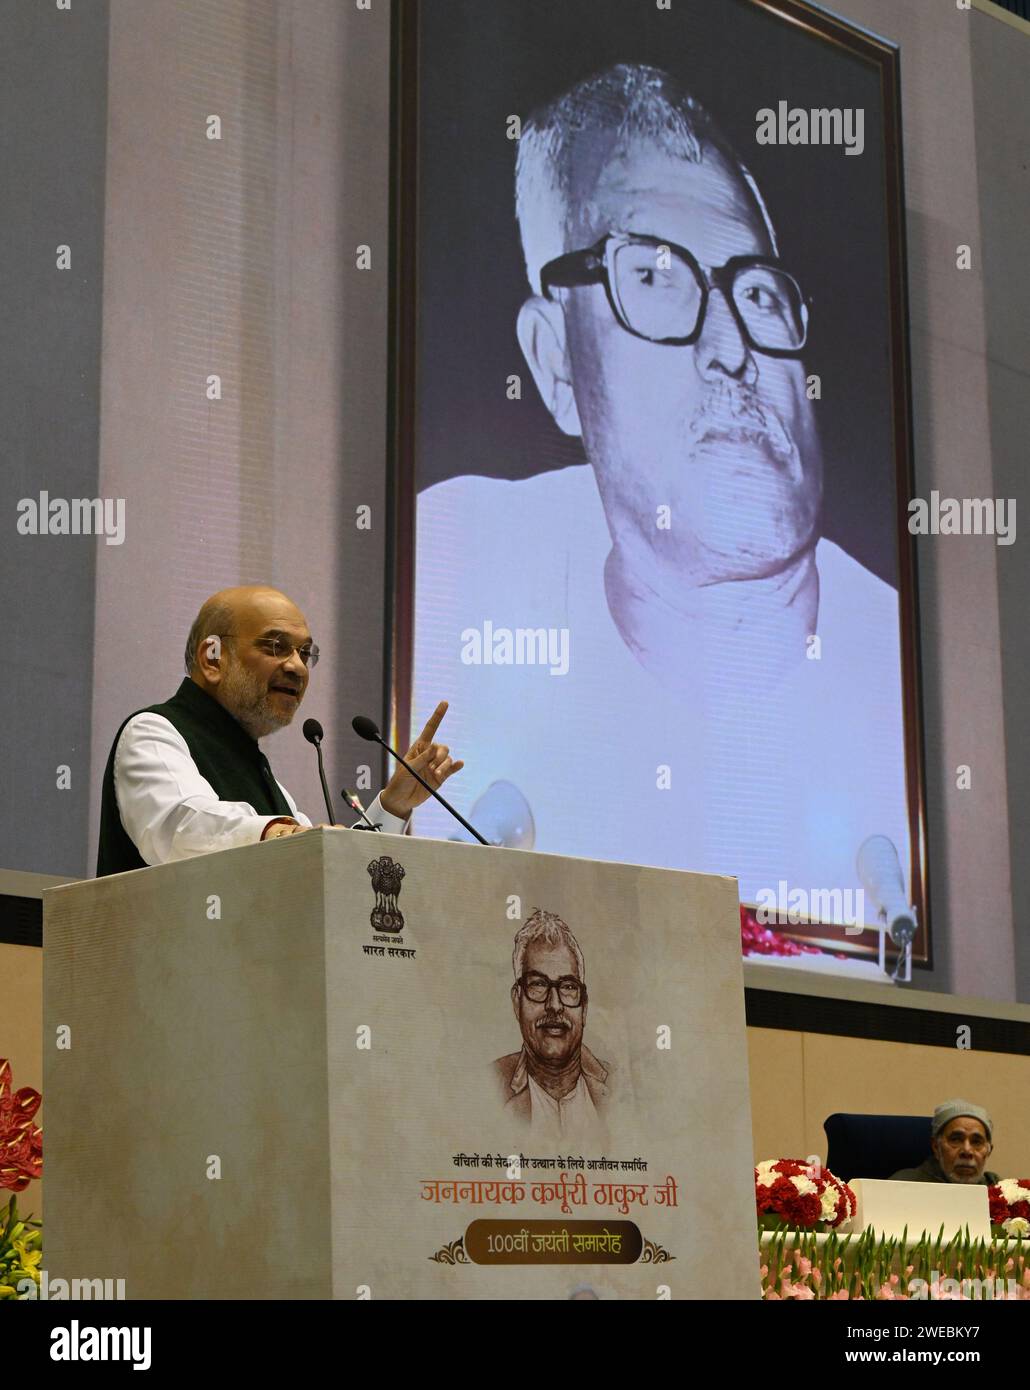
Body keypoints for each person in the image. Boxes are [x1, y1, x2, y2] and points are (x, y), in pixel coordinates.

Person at [414, 63, 910, 928]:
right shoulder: (456, 566)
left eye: (758, 293)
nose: (731, 348)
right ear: (557, 363)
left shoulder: (892, 668)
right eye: (652, 277)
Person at [97, 585, 462, 875]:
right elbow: (182, 830)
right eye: (276, 646)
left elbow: (332, 872)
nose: (298, 667)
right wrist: (279, 833)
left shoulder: (264, 777)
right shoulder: (153, 732)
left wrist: (393, 806)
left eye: (305, 653)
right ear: (213, 659)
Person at [493, 909, 611, 1135]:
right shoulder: (485, 1088)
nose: (554, 1005)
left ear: (584, 1007)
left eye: (568, 987)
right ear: (517, 1001)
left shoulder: (622, 1091)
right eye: (538, 985)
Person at [890, 1100, 999, 1185]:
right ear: (936, 1147)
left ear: (988, 1151)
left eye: (976, 1142)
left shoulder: (1000, 1191)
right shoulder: (903, 1185)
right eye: (956, 1139)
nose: (967, 1150)